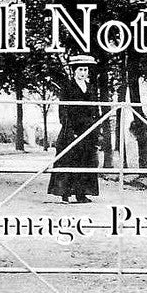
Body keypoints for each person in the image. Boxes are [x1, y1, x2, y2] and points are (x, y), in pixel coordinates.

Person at [48, 55, 102, 203]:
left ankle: (81, 194)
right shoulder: (68, 87)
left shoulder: (90, 87)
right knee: (68, 160)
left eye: (85, 69)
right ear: (74, 71)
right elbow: (63, 109)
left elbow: (95, 110)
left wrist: (96, 127)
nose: (83, 72)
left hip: (88, 130)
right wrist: (69, 129)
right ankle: (65, 194)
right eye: (80, 70)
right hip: (71, 129)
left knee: (86, 160)